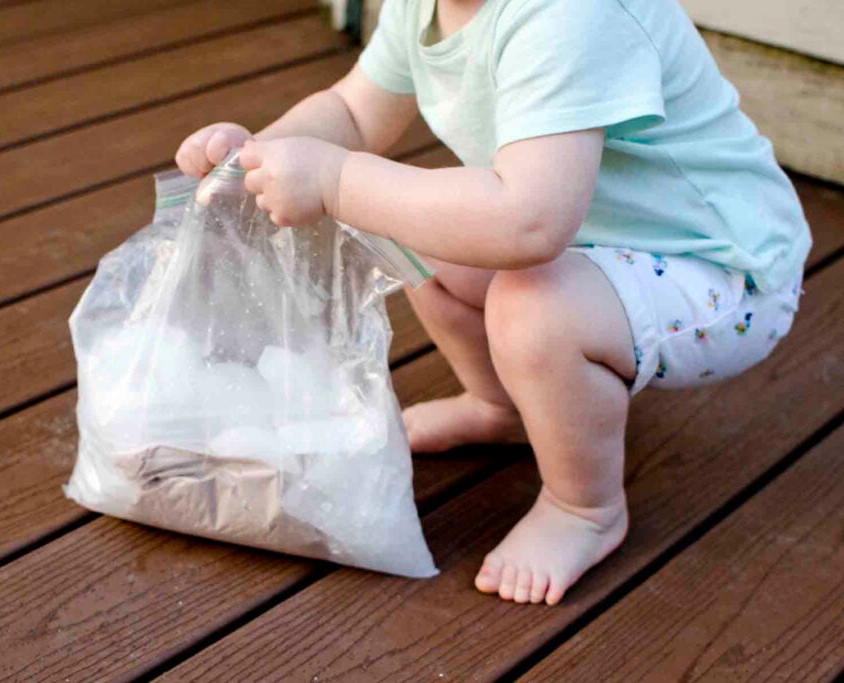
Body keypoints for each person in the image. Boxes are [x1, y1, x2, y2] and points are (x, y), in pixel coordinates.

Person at [174, 0, 811, 605]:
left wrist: (335, 181)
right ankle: (501, 408)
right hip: (592, 238)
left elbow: (528, 224)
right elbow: (353, 112)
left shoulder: (570, 17)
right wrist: (258, 153)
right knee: (421, 240)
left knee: (533, 307)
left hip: (723, 272)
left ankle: (583, 508)